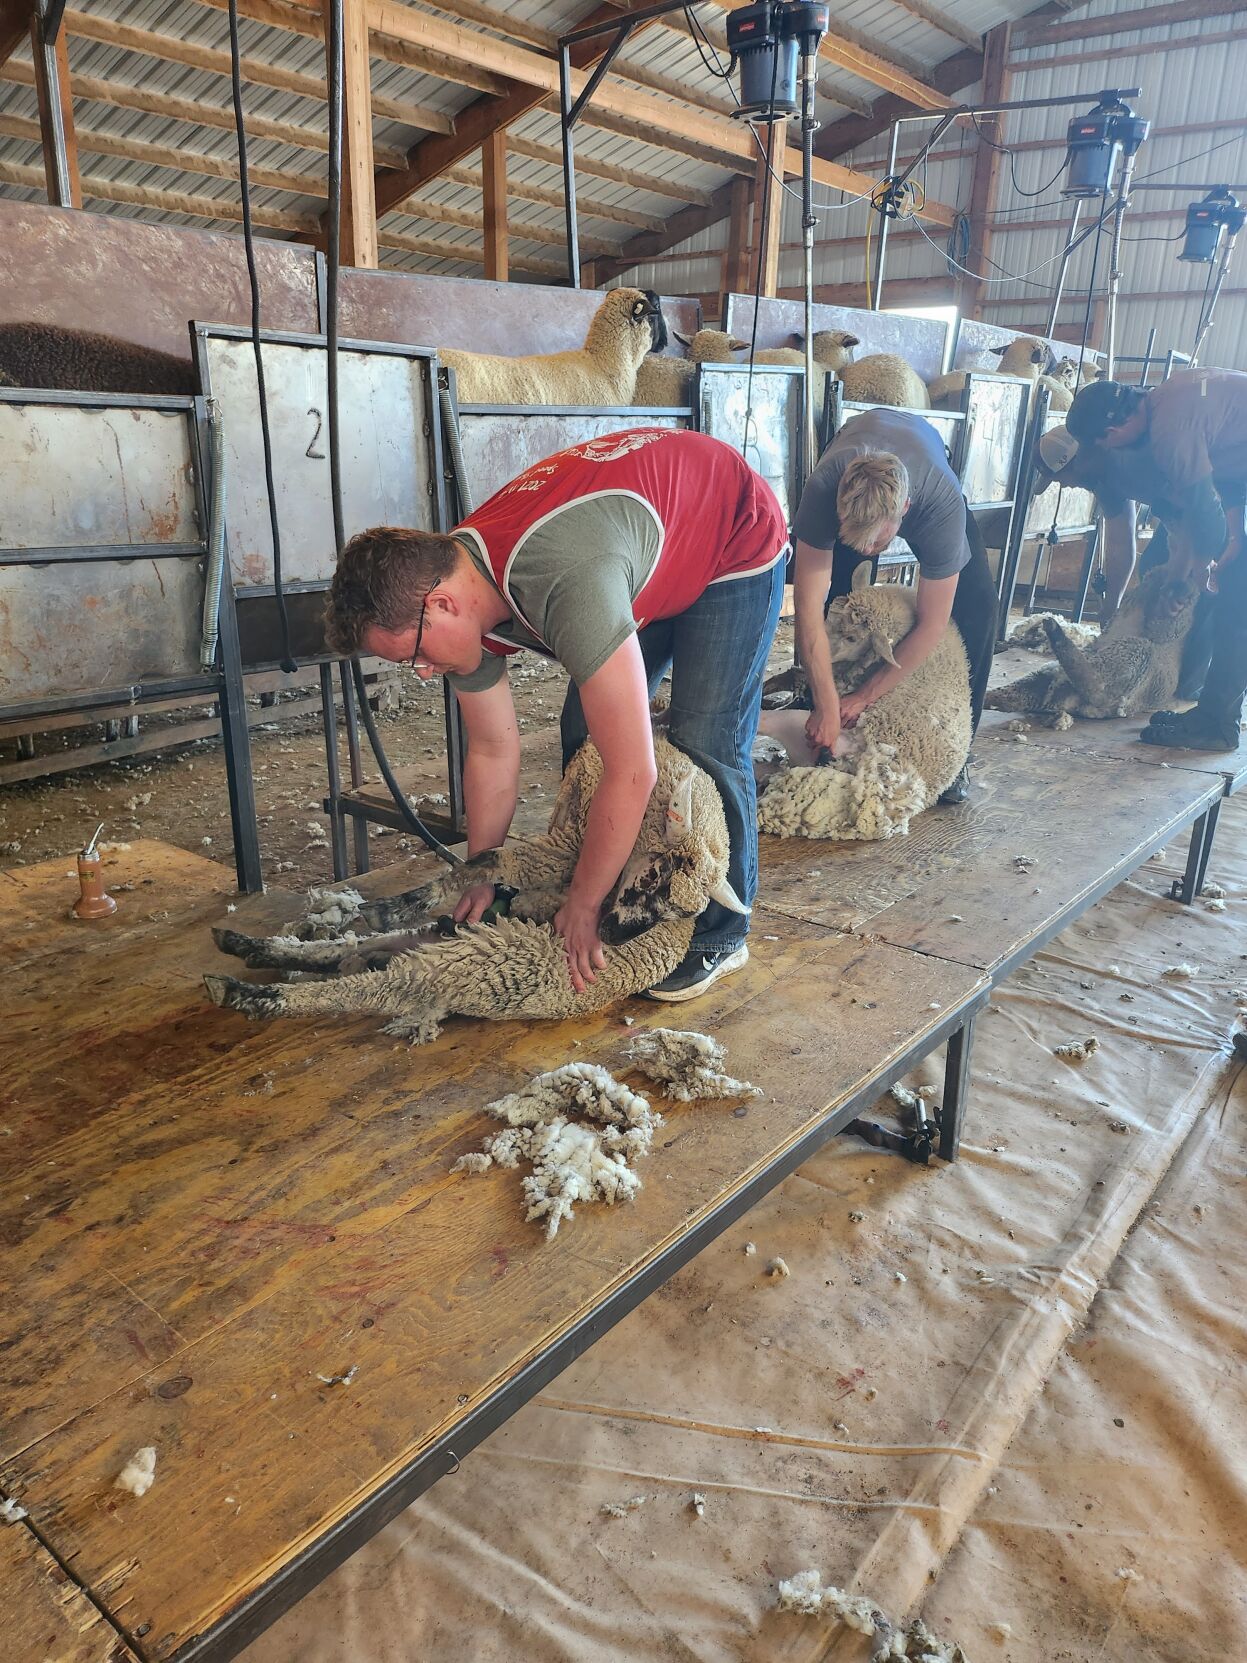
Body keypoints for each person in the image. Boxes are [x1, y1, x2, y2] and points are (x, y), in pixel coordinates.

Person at [324, 427, 788, 1002]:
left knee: (705, 740)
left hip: (728, 537)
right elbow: (493, 750)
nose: (421, 671)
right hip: (642, 549)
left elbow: (634, 771)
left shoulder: (564, 580)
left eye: (416, 653)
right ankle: (610, 877)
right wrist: (482, 874)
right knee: (587, 736)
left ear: (441, 605)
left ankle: (721, 934)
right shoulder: (463, 592)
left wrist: (584, 906)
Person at [789, 407, 998, 803]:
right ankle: (825, 711)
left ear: (903, 511)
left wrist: (866, 695)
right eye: (859, 541)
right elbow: (807, 610)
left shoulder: (939, 504)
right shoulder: (823, 490)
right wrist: (827, 700)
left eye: (878, 543)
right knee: (838, 598)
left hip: (927, 465)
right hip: (859, 449)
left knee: (980, 608)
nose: (869, 550)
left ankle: (958, 746)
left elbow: (931, 624)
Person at [1055, 367, 1247, 749]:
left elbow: (1204, 515)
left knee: (1237, 601)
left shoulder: (1169, 432)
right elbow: (1217, 493)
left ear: (1110, 434)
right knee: (1228, 587)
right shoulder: (1169, 398)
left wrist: (1189, 575)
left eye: (1104, 445)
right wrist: (1194, 567)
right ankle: (1205, 702)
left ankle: (1217, 725)